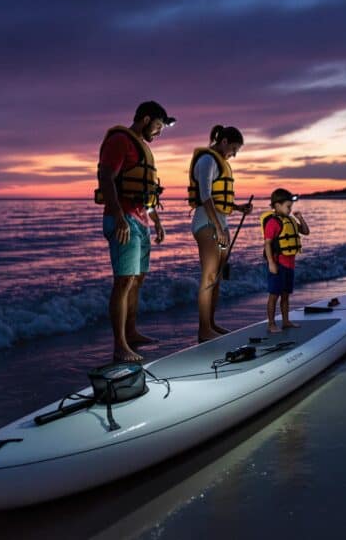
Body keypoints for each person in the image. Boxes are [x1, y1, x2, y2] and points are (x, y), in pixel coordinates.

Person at [95, 101, 173, 362]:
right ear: (146, 119)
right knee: (124, 281)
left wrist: (157, 221)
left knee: (137, 279)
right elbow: (106, 176)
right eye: (159, 126)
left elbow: (145, 194)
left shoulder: (142, 148)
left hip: (141, 220)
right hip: (124, 220)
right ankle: (120, 345)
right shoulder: (120, 140)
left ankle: (131, 332)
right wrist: (118, 216)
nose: (160, 132)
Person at [187, 125, 253, 342]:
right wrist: (218, 227)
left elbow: (219, 199)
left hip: (220, 224)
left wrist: (238, 208)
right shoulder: (207, 160)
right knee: (209, 274)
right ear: (223, 141)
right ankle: (203, 330)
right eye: (233, 149)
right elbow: (206, 196)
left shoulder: (219, 162)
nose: (233, 155)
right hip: (207, 224)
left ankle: (211, 324)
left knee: (218, 277)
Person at [262, 188, 310, 333]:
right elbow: (268, 243)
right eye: (288, 206)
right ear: (277, 205)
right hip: (278, 265)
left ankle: (286, 321)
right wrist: (271, 263)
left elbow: (306, 231)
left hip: (290, 265)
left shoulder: (290, 220)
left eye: (291, 206)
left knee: (285, 295)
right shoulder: (273, 223)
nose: (290, 210)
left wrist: (300, 218)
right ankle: (271, 324)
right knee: (274, 295)